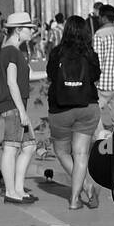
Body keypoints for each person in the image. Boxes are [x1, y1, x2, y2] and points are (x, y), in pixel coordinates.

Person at [47, 15, 102, 210]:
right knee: (80, 153)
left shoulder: (56, 53)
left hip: (60, 109)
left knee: (62, 152)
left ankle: (86, 187)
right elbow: (96, 76)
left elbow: (50, 75)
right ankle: (74, 199)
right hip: (86, 107)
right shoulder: (89, 54)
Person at [0, 11, 39, 204]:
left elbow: (24, 78)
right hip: (13, 105)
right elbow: (12, 83)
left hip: (18, 104)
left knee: (29, 146)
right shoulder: (11, 51)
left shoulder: (14, 51)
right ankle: (10, 191)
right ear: (19, 30)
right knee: (11, 147)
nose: (32, 32)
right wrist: (22, 112)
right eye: (29, 29)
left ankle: (18, 188)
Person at [92, 4, 114, 134]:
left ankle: (102, 141)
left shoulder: (99, 34)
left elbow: (96, 61)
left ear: (102, 18)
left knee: (94, 114)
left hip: (103, 83)